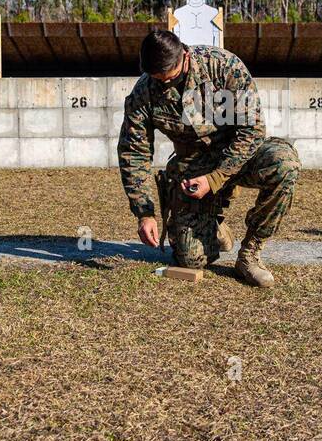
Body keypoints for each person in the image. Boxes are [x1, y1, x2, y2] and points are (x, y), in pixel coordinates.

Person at [118, 31, 299, 287]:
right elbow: (133, 151)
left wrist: (216, 179)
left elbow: (252, 130)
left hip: (239, 156)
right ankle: (215, 226)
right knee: (191, 260)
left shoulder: (223, 66)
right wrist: (144, 213)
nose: (164, 84)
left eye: (171, 77)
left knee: (284, 162)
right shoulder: (145, 90)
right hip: (193, 165)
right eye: (158, 79)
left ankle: (250, 254)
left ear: (185, 56)